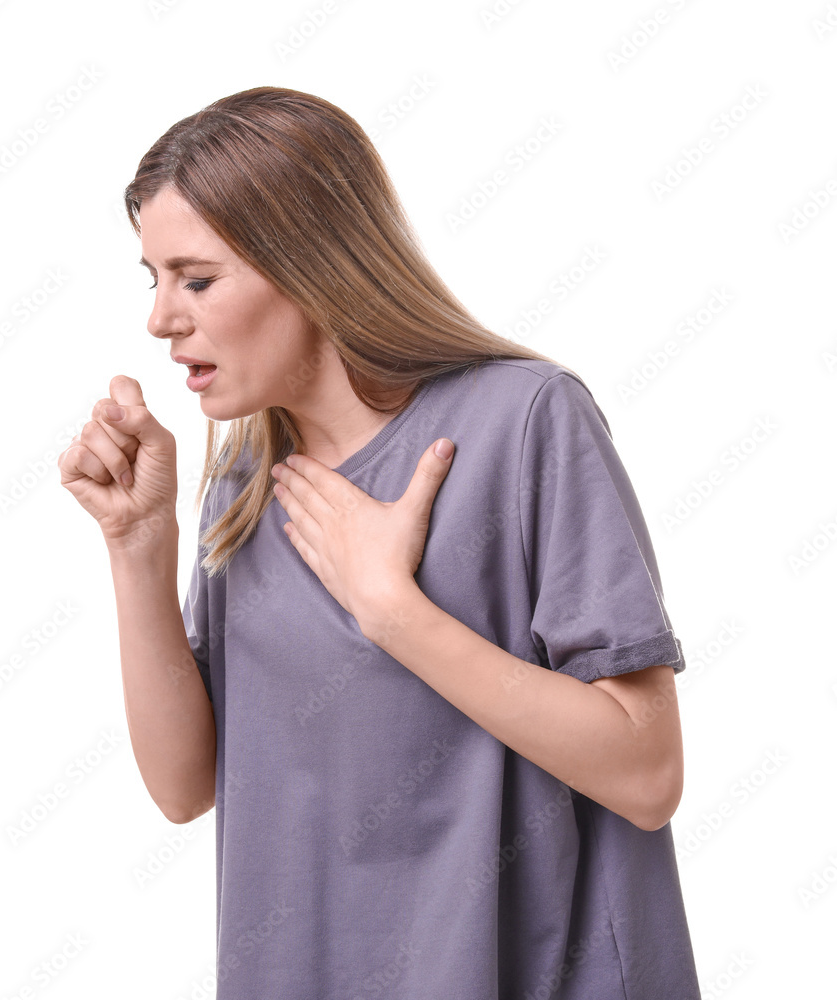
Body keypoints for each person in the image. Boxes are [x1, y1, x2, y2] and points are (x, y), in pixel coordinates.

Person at [58, 86, 701, 999]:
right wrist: (137, 544)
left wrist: (393, 611)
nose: (161, 319)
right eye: (153, 279)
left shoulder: (524, 421)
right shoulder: (248, 478)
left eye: (195, 279)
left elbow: (647, 771)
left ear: (311, 263)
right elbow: (184, 785)